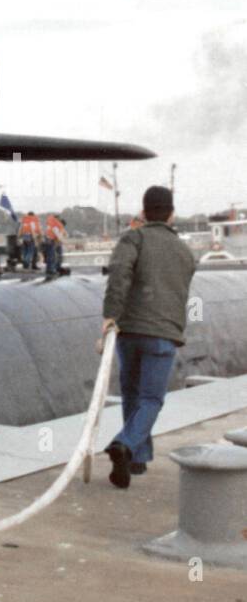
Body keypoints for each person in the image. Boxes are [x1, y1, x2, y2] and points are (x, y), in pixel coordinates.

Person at [101, 185, 196, 488]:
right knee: (151, 398)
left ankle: (135, 458)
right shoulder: (185, 251)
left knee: (132, 394)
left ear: (143, 212)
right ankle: (127, 445)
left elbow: (118, 274)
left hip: (129, 332)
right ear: (171, 214)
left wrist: (110, 316)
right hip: (163, 334)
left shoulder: (134, 238)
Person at [43, 211, 66, 276]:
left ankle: (51, 268)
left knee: (51, 255)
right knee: (52, 256)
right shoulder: (55, 225)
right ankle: (51, 269)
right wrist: (60, 240)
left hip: (49, 240)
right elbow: (57, 235)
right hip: (52, 241)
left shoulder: (50, 224)